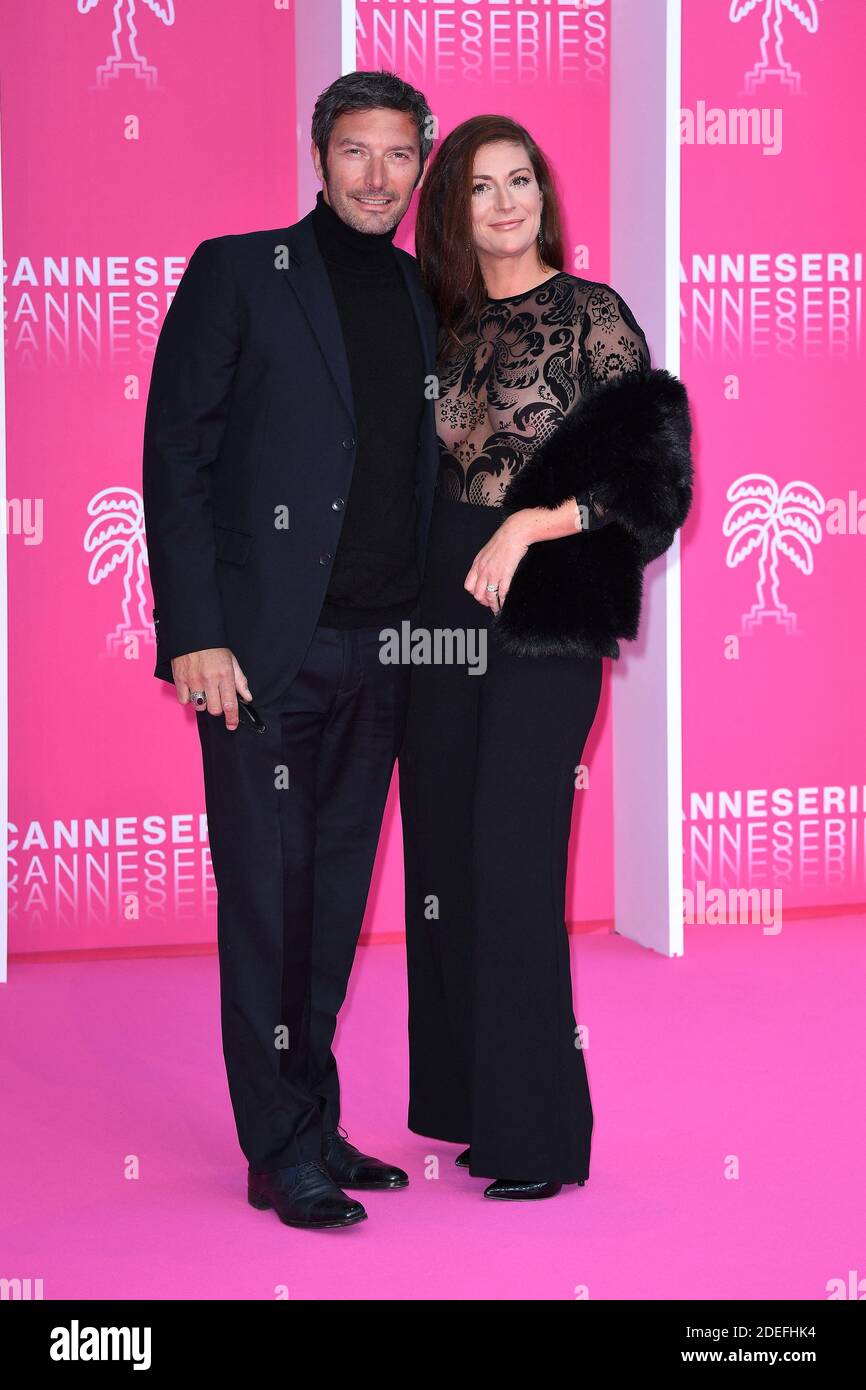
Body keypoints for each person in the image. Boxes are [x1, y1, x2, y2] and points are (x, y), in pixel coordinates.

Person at [142, 70, 439, 1230]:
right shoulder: (239, 271)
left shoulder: (423, 293)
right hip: (262, 657)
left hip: (382, 654)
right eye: (353, 152)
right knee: (268, 904)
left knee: (327, 902)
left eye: (397, 155)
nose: (375, 176)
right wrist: (195, 634)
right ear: (319, 157)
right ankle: (276, 1148)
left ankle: (311, 1120)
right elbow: (177, 456)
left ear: (420, 167)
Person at [398, 115, 694, 1200]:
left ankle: (535, 1136)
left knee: (510, 859)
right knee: (443, 860)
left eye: (519, 180)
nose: (507, 203)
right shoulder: (436, 324)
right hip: (432, 617)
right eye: (480, 188)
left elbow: (655, 488)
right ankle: (469, 1103)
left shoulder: (590, 317)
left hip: (540, 620)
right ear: (452, 212)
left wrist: (529, 524)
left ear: (542, 195)